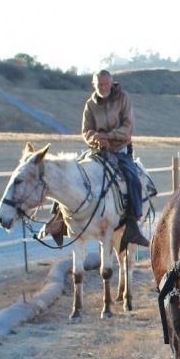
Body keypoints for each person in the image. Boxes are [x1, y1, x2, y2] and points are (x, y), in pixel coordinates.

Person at [41, 69, 149, 247]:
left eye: (106, 84)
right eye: (99, 85)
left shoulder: (123, 98)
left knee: (132, 178)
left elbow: (127, 127)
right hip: (98, 150)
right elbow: (86, 131)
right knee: (72, 172)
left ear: (111, 83)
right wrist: (96, 138)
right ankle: (57, 221)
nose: (103, 87)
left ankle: (133, 225)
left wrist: (109, 136)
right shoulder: (90, 104)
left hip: (119, 149)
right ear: (94, 85)